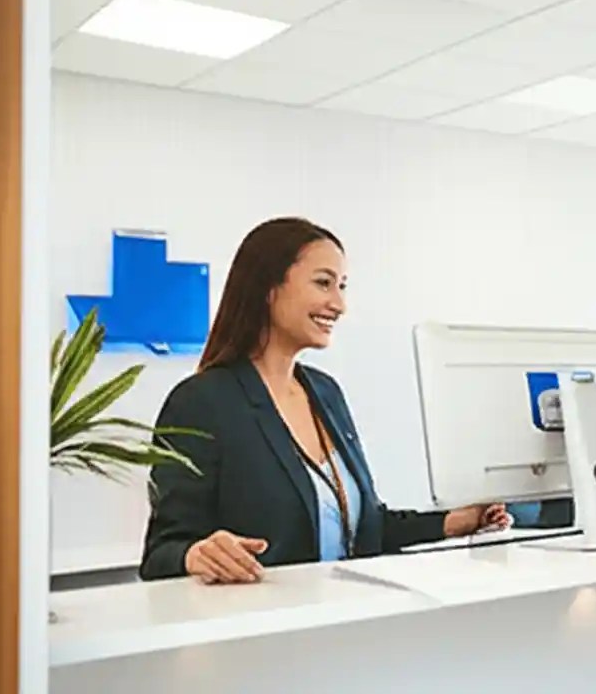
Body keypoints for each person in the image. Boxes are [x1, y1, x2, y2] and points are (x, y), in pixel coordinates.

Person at [139, 217, 509, 584]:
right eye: (323, 283)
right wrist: (197, 555)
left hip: (343, 621)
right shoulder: (202, 402)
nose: (339, 304)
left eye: (342, 286)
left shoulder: (325, 393)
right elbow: (162, 553)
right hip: (260, 628)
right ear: (268, 288)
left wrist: (452, 522)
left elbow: (365, 527)